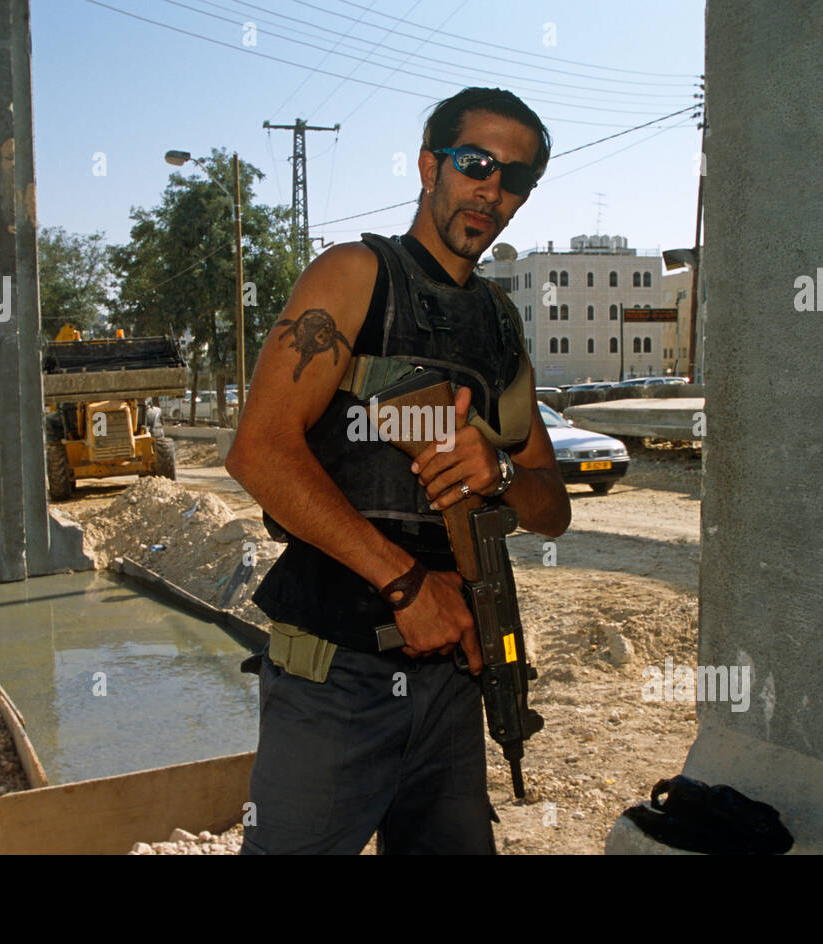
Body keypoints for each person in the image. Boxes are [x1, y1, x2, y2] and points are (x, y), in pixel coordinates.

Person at [226, 87, 571, 855]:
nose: (492, 189)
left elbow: (552, 508)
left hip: (451, 682)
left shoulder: (497, 324)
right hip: (334, 673)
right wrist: (406, 586)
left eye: (515, 179)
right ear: (429, 165)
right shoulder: (355, 275)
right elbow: (258, 451)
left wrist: (500, 475)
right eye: (476, 163)